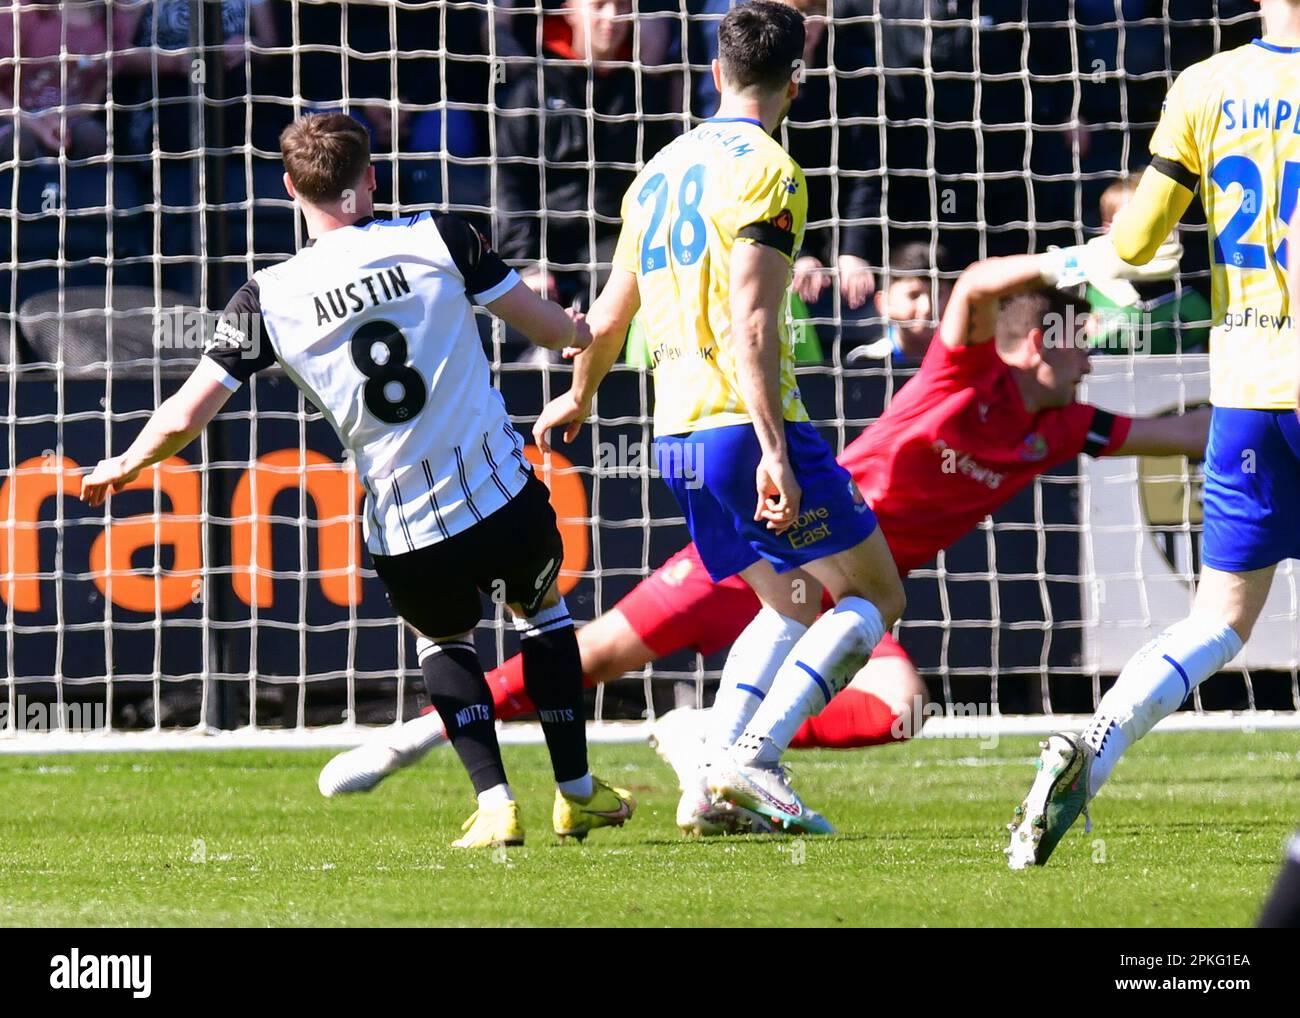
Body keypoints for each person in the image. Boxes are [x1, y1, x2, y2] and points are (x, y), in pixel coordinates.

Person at [320, 245, 1208, 838]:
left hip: (850, 586)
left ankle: (710, 739)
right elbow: (976, 283)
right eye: (1076, 339)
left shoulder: (1067, 426)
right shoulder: (965, 367)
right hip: (789, 533)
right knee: (597, 654)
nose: (1090, 357)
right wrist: (1086, 259)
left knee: (903, 708)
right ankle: (416, 735)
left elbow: (1190, 433)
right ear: (1029, 338)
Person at [79, 112, 636, 849]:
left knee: (446, 643)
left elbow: (186, 414)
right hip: (500, 491)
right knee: (543, 619)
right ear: (370, 177)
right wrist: (576, 332)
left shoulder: (265, 299)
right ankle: (577, 791)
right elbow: (546, 329)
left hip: (407, 523)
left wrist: (126, 463)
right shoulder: (441, 238)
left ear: (289, 190)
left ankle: (497, 804)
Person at [1006, 0, 1300, 869]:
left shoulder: (1205, 84)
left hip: (1246, 385)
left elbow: (1134, 241)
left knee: (1220, 617)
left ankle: (1093, 747)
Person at [1085, 177, 1211, 355]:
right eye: (1135, 223)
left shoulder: (1201, 285)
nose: (1149, 232)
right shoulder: (1085, 287)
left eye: (1160, 223)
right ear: (1108, 229)